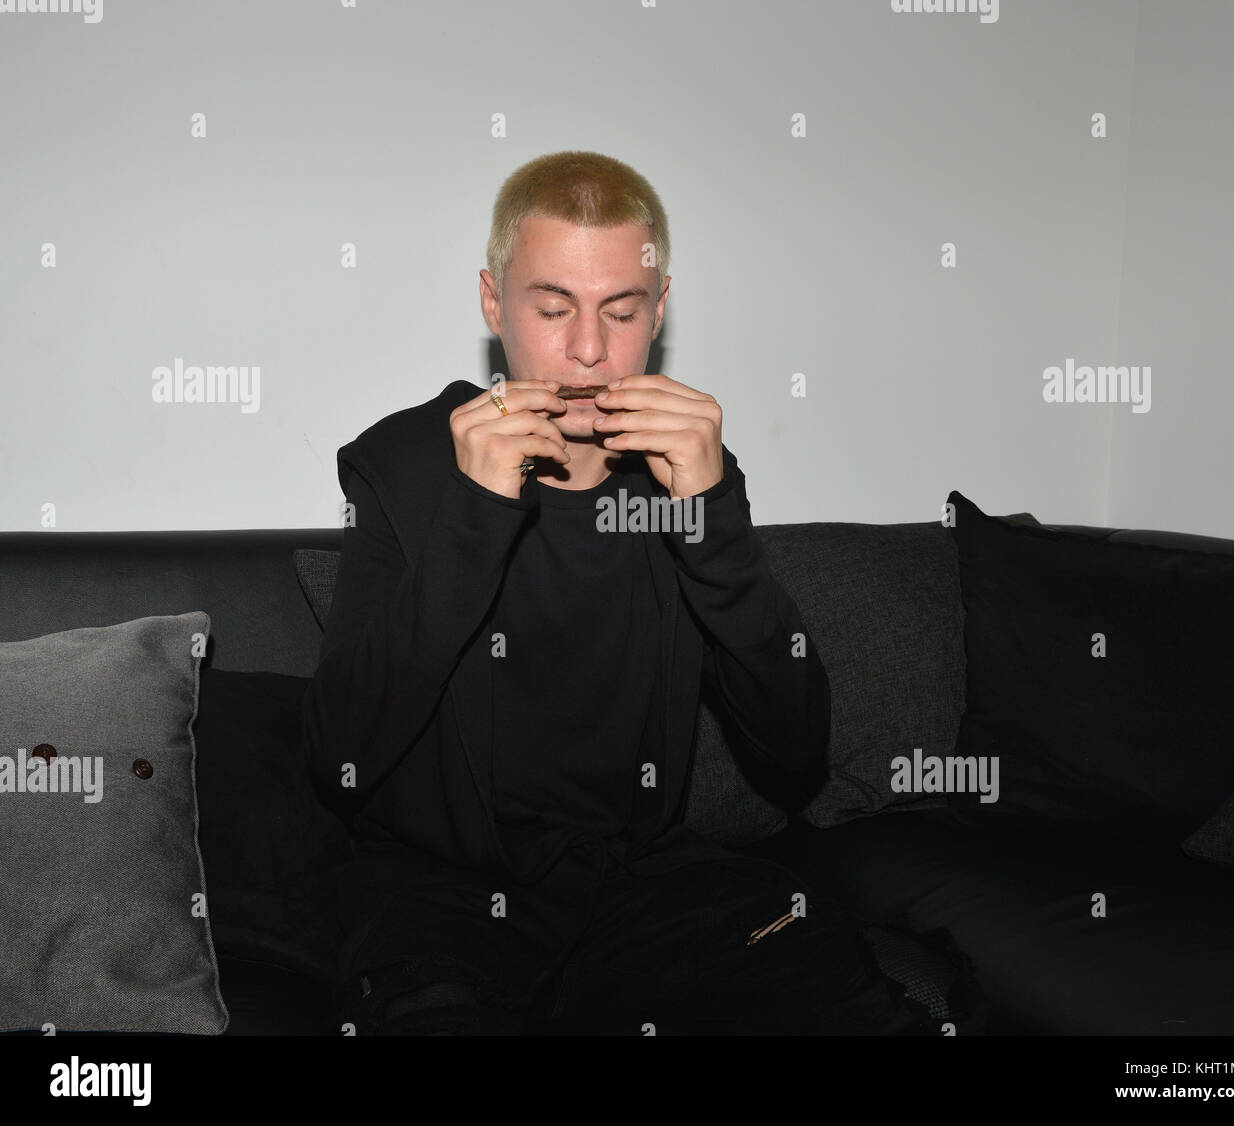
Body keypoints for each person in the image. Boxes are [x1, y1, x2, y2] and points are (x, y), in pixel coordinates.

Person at [301, 150, 931, 1035]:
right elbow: (341, 756)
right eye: (553, 308)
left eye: (622, 310)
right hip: (441, 898)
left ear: (660, 309)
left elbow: (794, 750)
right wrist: (477, 516)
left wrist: (706, 515)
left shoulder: (685, 474)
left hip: (639, 885)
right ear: (492, 302)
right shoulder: (409, 462)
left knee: (823, 966)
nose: (589, 350)